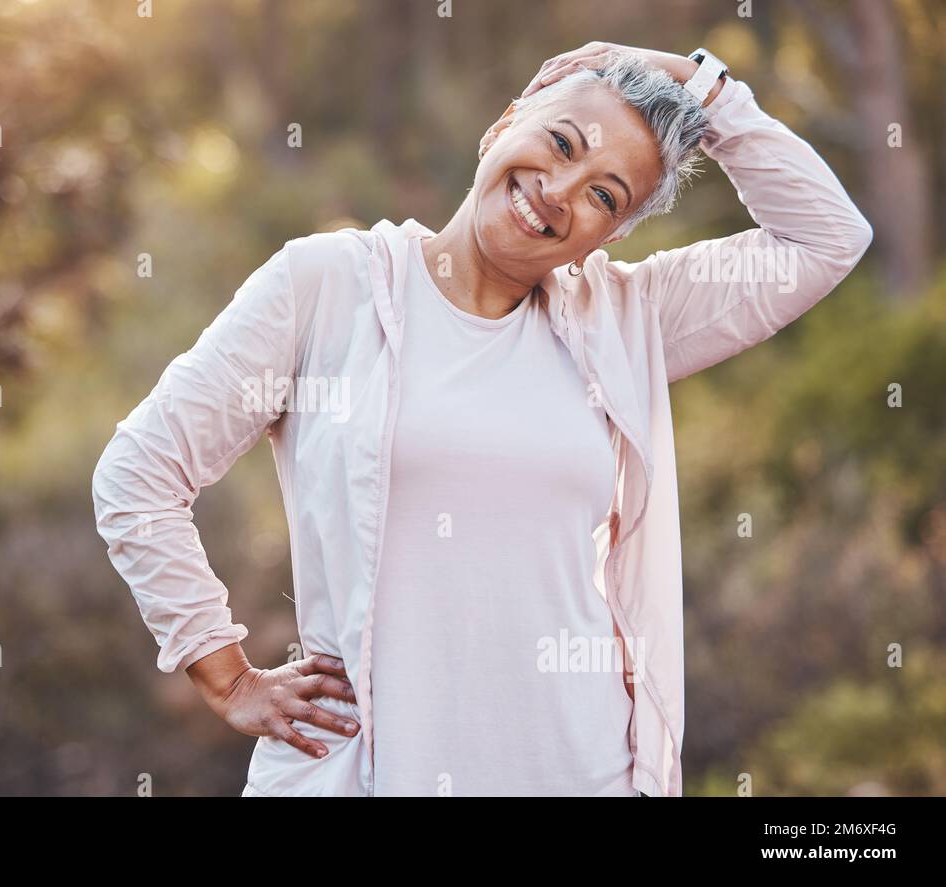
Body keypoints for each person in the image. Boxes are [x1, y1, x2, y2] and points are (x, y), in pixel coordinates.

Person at [92, 43, 873, 796]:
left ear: (613, 235)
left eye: (605, 194)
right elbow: (140, 474)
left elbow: (829, 237)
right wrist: (225, 674)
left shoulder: (631, 320)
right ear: (504, 124)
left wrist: (694, 79)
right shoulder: (325, 287)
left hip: (581, 771)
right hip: (364, 772)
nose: (561, 191)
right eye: (561, 143)